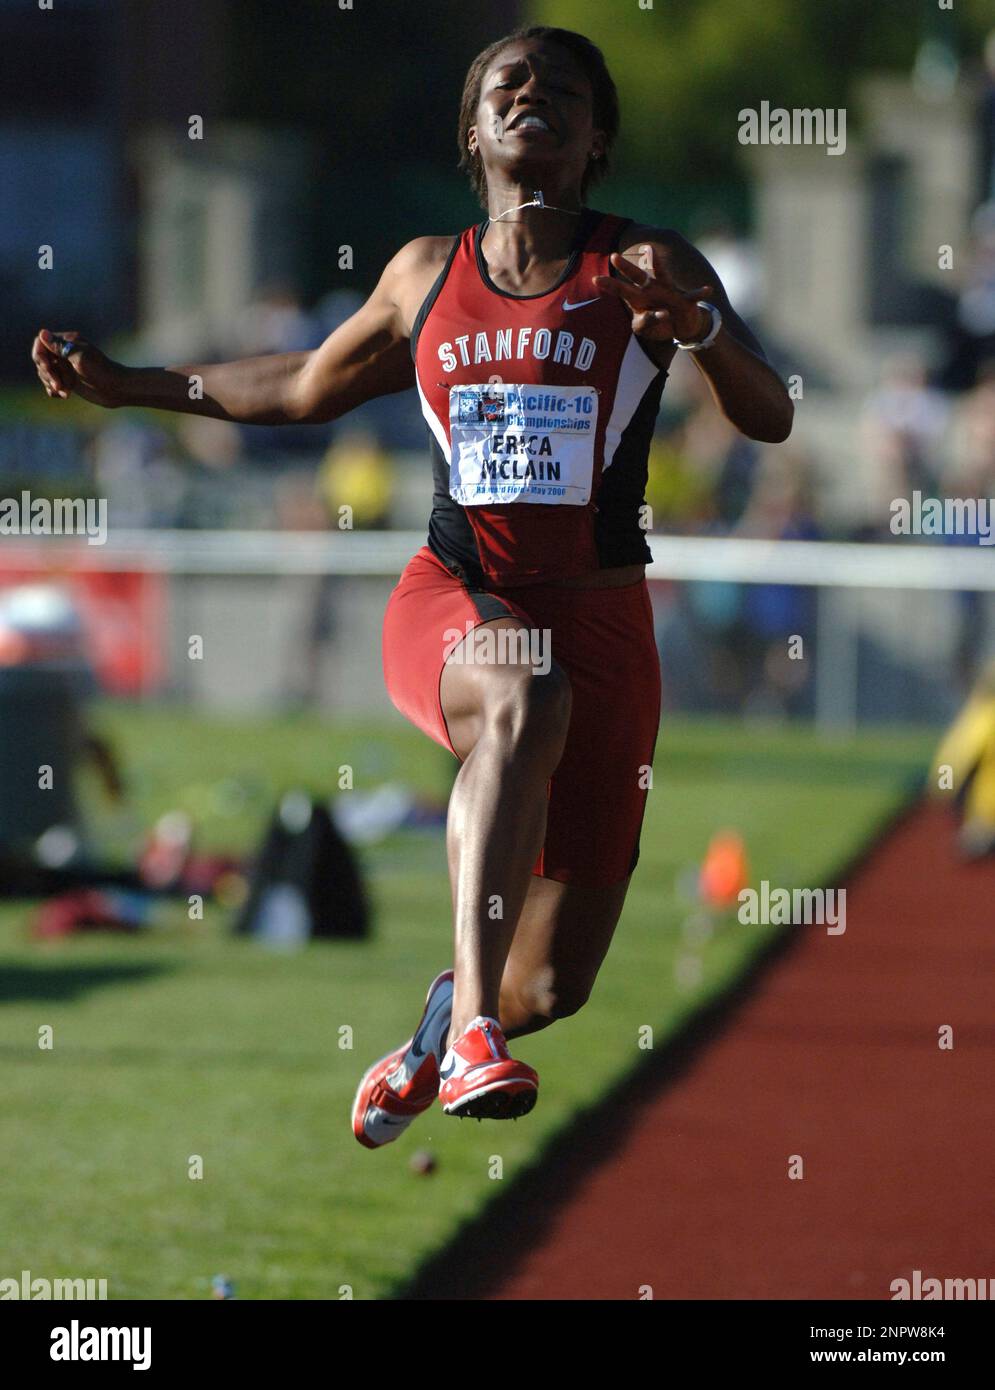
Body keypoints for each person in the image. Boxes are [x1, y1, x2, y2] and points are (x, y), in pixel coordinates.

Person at [31, 26, 792, 1143]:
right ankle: (477, 1026)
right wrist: (133, 384)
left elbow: (768, 414)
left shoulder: (643, 263)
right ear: (472, 131)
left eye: (563, 92)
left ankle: (460, 1014)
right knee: (524, 692)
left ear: (594, 141)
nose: (532, 97)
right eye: (507, 85)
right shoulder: (424, 275)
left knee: (555, 987)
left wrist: (702, 327)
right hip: (454, 593)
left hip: (602, 623)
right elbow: (298, 383)